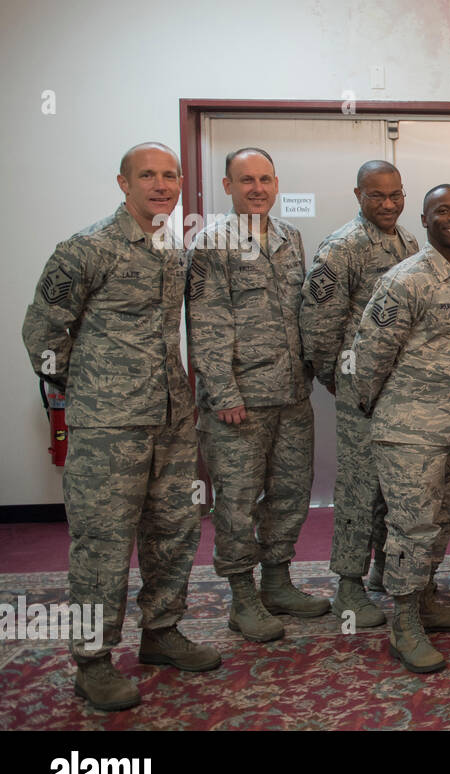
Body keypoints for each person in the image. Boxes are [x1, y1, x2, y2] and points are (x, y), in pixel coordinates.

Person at [22, 142, 220, 711]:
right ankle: (92, 660)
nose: (161, 185)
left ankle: (161, 632)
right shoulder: (84, 249)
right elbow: (42, 337)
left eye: (169, 175)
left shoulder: (173, 251)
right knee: (103, 543)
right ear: (122, 183)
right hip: (109, 426)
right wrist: (84, 395)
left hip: (170, 420)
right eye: (147, 176)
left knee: (173, 531)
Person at [187, 147, 327, 643]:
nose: (257, 188)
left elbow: (302, 311)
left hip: (290, 395)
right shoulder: (211, 243)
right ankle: (242, 597)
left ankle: (276, 581)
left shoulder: (291, 237)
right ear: (228, 186)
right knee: (237, 502)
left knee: (291, 494)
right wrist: (223, 393)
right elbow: (205, 323)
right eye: (246, 180)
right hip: (238, 404)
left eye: (266, 179)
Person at [352, 185, 450, 672]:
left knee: (439, 521)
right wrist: (381, 409)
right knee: (409, 527)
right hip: (410, 432)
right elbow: (369, 356)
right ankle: (403, 624)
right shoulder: (405, 279)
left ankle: (425, 600)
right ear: (424, 220)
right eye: (442, 211)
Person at [300, 160, 421, 627]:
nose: (388, 204)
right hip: (360, 390)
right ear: (358, 195)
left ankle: (381, 570)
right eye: (377, 196)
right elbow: (316, 321)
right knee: (357, 487)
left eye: (396, 195)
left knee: (392, 487)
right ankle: (348, 586)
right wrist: (335, 376)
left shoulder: (407, 241)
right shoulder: (342, 247)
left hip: (400, 388)